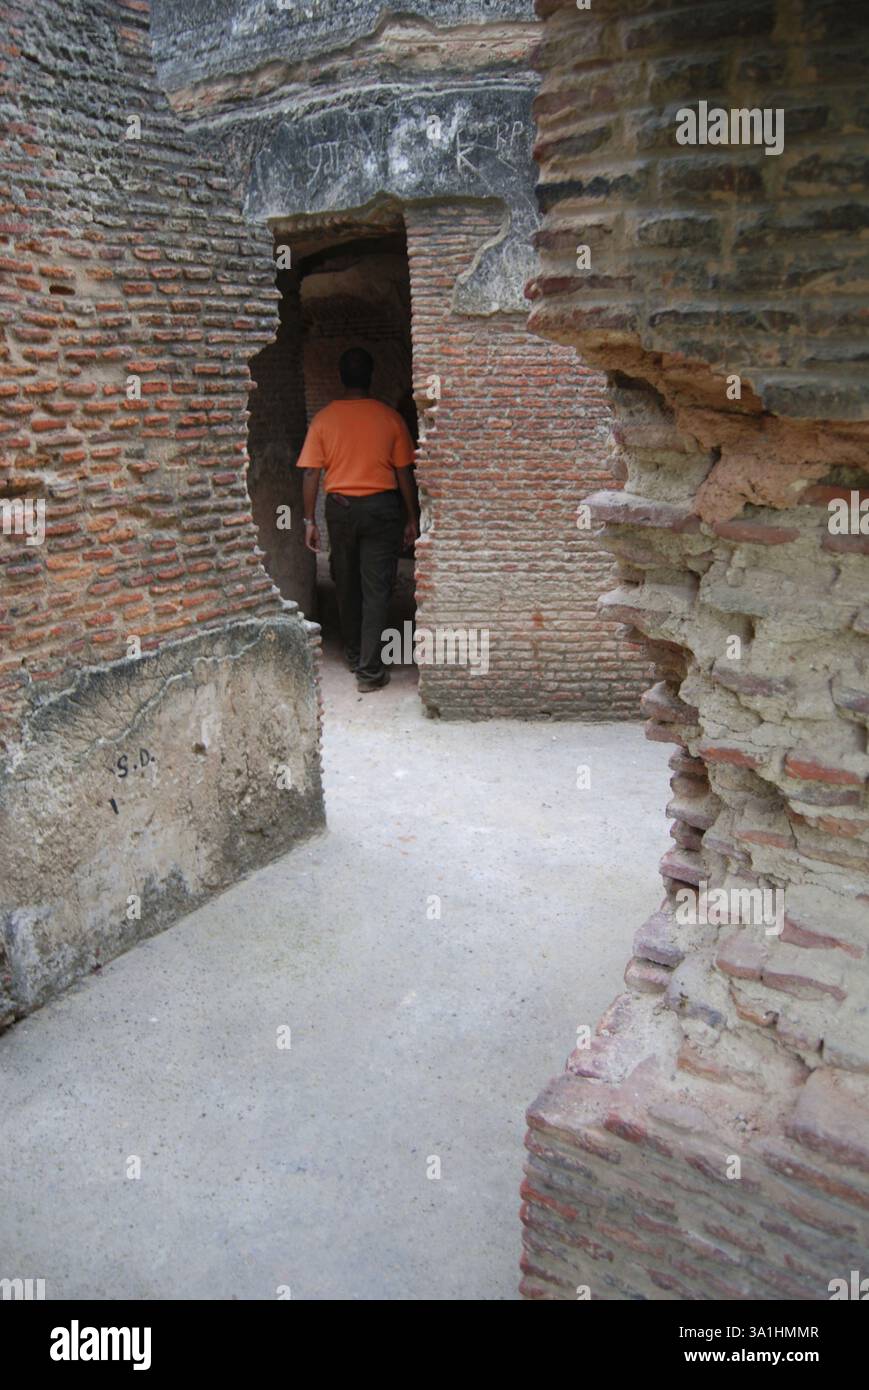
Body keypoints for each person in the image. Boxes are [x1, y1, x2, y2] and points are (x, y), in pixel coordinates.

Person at [297, 347, 419, 691]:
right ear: (371, 377)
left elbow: (310, 474)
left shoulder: (324, 420)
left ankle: (353, 653)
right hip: (382, 510)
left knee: (346, 582)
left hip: (341, 509)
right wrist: (412, 517)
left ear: (341, 377)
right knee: (376, 588)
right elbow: (403, 475)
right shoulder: (390, 418)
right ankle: (370, 671)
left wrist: (309, 520)